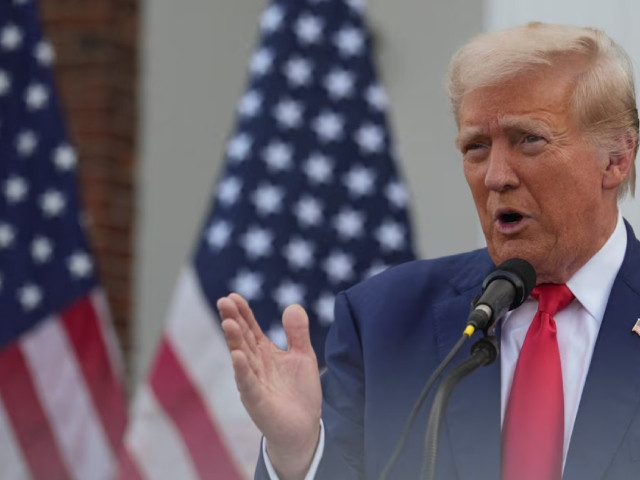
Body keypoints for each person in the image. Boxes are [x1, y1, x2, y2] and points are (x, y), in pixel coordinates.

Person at [217, 22, 640, 479]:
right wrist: (298, 455)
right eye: (476, 147)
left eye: (528, 140)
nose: (496, 176)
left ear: (616, 158)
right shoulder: (383, 321)